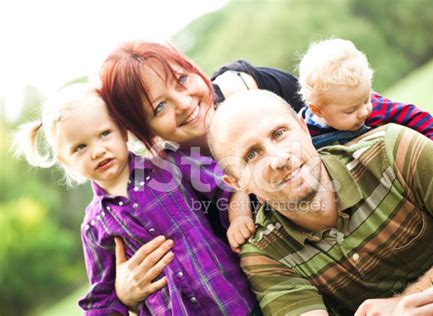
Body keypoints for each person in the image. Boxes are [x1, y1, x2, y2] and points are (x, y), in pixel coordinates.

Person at [207, 90, 433, 315]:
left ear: (303, 128)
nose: (278, 159)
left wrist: (404, 302)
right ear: (236, 182)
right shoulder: (264, 254)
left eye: (279, 134)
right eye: (252, 154)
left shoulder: (391, 150)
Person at [98, 40, 311, 308]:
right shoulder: (171, 185)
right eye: (159, 107)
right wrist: (126, 296)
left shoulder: (253, 87)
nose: (184, 103)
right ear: (145, 131)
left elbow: (355, 119)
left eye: (182, 79)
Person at [12, 83, 258, 315]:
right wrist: (123, 297)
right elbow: (101, 301)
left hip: (235, 303)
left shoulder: (168, 166)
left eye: (105, 134)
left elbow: (226, 182)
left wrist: (239, 218)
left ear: (123, 132)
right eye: (80, 147)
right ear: (66, 161)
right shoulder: (95, 226)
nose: (97, 151)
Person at [298, 38, 433, 155]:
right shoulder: (304, 134)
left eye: (366, 100)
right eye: (350, 110)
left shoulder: (378, 107)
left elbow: (415, 116)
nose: (364, 112)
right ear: (317, 110)